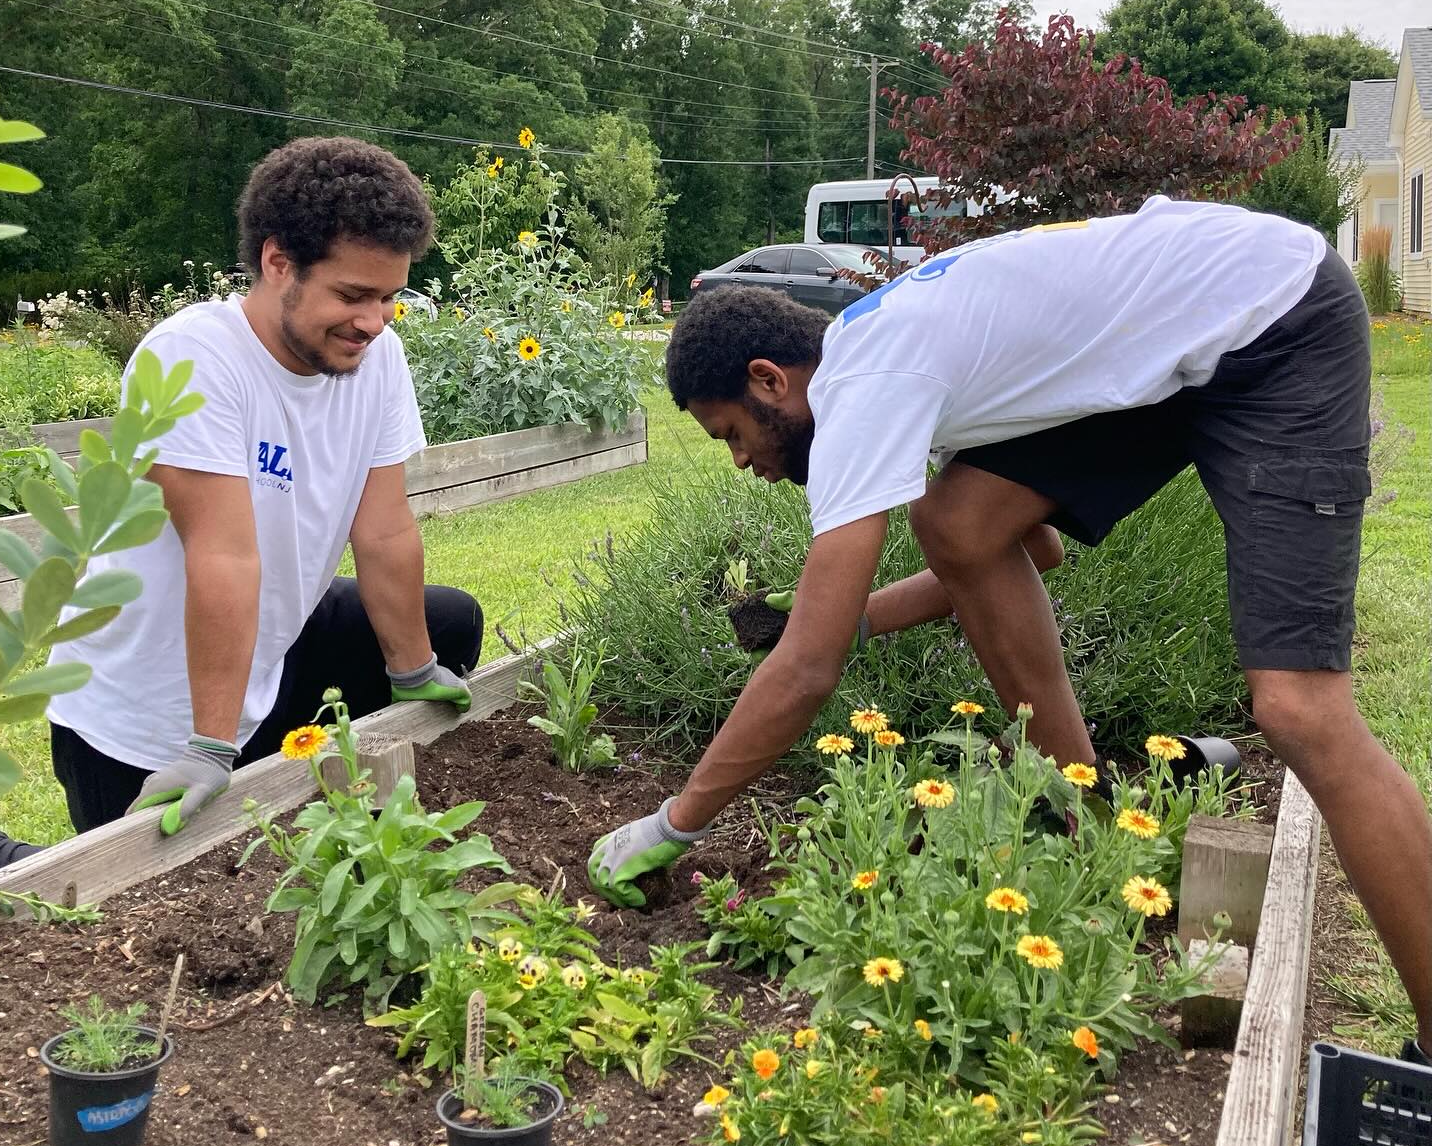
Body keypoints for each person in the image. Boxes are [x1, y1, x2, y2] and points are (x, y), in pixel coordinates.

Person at [588, 196, 1432, 1067]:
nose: (742, 461)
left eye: (730, 434)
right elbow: (1033, 548)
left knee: (1300, 712)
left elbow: (810, 669)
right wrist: (835, 622)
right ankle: (1094, 825)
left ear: (770, 380)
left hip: (1277, 320)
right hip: (1190, 336)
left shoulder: (867, 385)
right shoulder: (886, 348)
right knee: (959, 522)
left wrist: (674, 826)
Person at [45, 136, 482, 837]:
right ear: (278, 263)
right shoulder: (193, 358)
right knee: (155, 915)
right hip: (141, 718)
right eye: (352, 294)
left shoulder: (377, 360)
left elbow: (384, 529)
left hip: (264, 664)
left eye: (390, 297)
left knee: (450, 620)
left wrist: (411, 667)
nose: (373, 321)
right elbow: (222, 554)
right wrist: (211, 746)